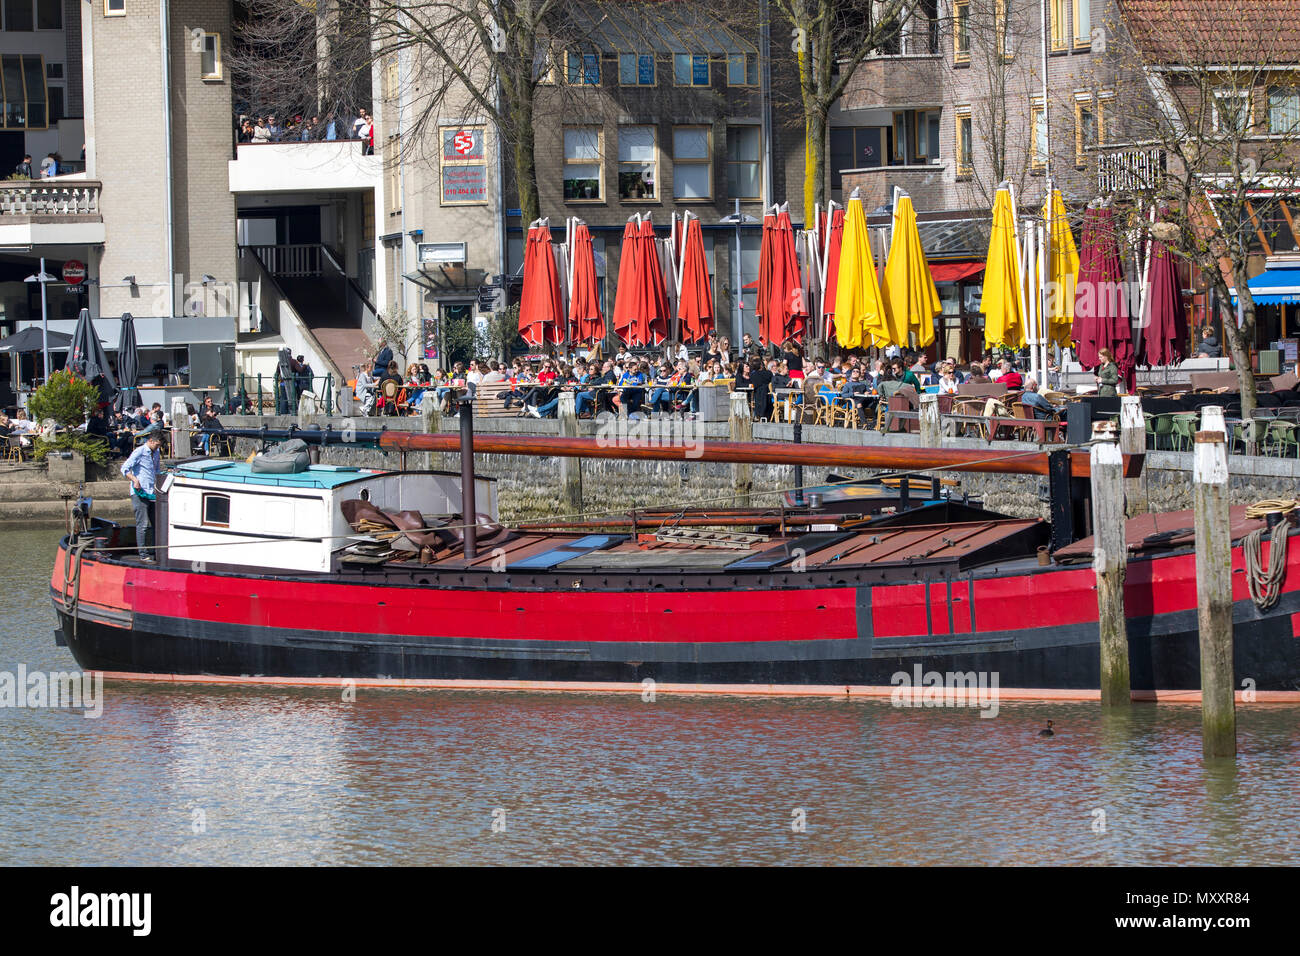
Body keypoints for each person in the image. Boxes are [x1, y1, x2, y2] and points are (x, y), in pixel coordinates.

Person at [121, 427, 164, 561]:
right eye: (157, 445)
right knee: (143, 523)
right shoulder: (139, 452)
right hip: (139, 492)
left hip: (152, 492)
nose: (158, 448)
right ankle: (143, 554)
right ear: (151, 441)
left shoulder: (156, 453)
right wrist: (134, 479)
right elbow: (124, 468)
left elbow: (156, 470)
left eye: (159, 446)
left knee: (156, 523)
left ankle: (156, 551)